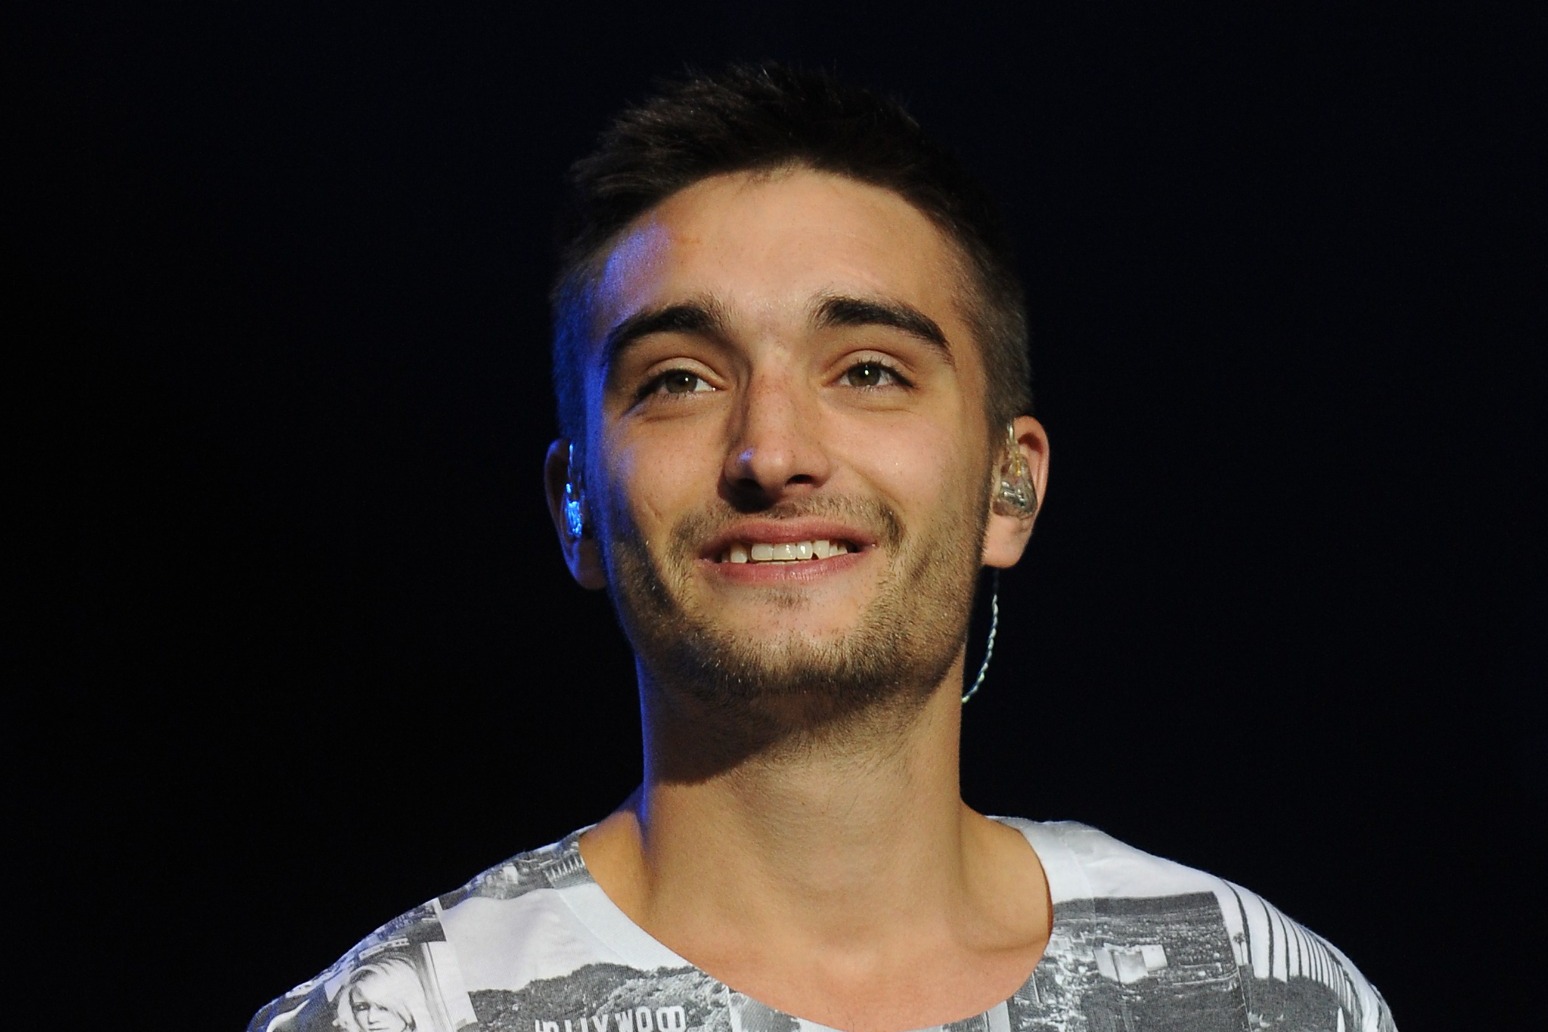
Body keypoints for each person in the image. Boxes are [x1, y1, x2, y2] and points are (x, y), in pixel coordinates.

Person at [248, 63, 1396, 1032]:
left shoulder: (1267, 997)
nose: (772, 451)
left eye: (870, 371)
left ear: (1010, 485)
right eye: (680, 380)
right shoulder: (404, 1014)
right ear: (576, 504)